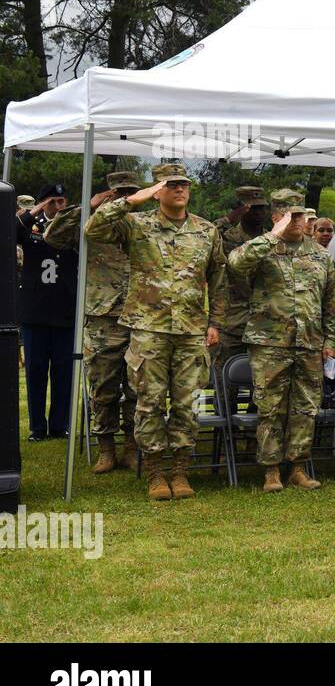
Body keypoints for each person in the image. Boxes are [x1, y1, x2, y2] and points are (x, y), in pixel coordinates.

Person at [84, 163, 226, 501]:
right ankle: (155, 473)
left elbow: (219, 279)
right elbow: (93, 229)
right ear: (157, 190)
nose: (179, 189)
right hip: (148, 329)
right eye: (171, 184)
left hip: (191, 330)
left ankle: (180, 471)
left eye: (184, 184)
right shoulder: (137, 225)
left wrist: (215, 323)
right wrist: (132, 200)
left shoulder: (206, 231)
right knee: (148, 403)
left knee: (187, 404)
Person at [228, 189, 335, 492]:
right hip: (269, 344)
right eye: (291, 215)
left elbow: (332, 302)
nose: (298, 221)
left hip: (308, 343)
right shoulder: (262, 248)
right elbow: (235, 263)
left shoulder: (319, 254)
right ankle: (271, 470)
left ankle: (298, 467)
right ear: (276, 217)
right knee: (271, 408)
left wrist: (329, 340)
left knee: (305, 408)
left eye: (302, 215)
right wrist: (271, 236)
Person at [44, 172, 140, 470]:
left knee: (138, 388)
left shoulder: (143, 225)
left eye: (130, 192)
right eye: (119, 192)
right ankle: (106, 448)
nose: (125, 197)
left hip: (139, 316)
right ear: (108, 194)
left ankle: (133, 446)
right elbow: (52, 236)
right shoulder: (87, 225)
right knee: (104, 387)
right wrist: (88, 205)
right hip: (102, 318)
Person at [16, 183, 76, 442]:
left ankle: (59, 425)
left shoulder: (71, 225)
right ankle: (37, 427)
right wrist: (36, 209)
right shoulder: (30, 224)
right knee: (36, 370)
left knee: (64, 372)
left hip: (64, 308)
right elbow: (10, 233)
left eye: (62, 201)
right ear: (43, 202)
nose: (58, 206)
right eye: (53, 201)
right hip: (35, 310)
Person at [216, 186, 269, 377]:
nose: (258, 213)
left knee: (262, 384)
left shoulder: (272, 239)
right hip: (232, 321)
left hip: (265, 324)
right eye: (252, 208)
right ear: (239, 209)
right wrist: (229, 219)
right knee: (224, 382)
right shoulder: (225, 237)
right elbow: (200, 236)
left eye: (261, 208)